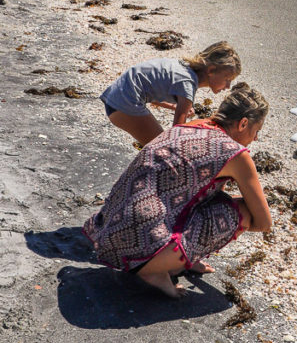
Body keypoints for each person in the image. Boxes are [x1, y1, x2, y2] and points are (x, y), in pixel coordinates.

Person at [83, 82, 272, 298]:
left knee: (204, 196)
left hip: (108, 232)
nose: (256, 138)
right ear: (243, 123)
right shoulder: (237, 155)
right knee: (241, 211)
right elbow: (264, 223)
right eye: (256, 131)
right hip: (137, 250)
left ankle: (177, 257)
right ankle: (155, 269)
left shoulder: (192, 125)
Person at [100, 41, 241, 147]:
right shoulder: (188, 85)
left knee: (157, 146)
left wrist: (173, 107)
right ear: (211, 70)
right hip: (125, 103)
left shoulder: (181, 67)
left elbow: (150, 91)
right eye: (227, 79)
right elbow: (177, 131)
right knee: (164, 148)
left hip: (115, 97)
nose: (228, 86)